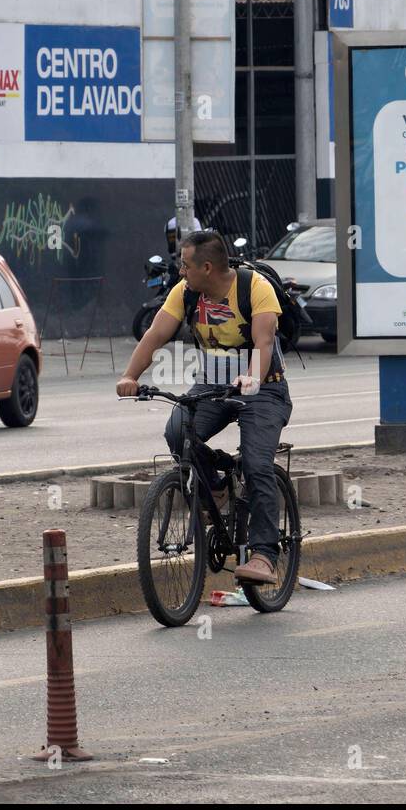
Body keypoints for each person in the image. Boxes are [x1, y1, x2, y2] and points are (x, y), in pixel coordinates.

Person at [116, 230, 292, 585]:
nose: (180, 271)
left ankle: (264, 554)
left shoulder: (255, 288)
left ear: (207, 267)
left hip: (264, 388)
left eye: (185, 264)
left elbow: (264, 341)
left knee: (257, 464)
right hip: (213, 384)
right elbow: (154, 335)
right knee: (177, 430)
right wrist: (130, 376)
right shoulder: (186, 293)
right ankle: (215, 487)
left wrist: (252, 379)